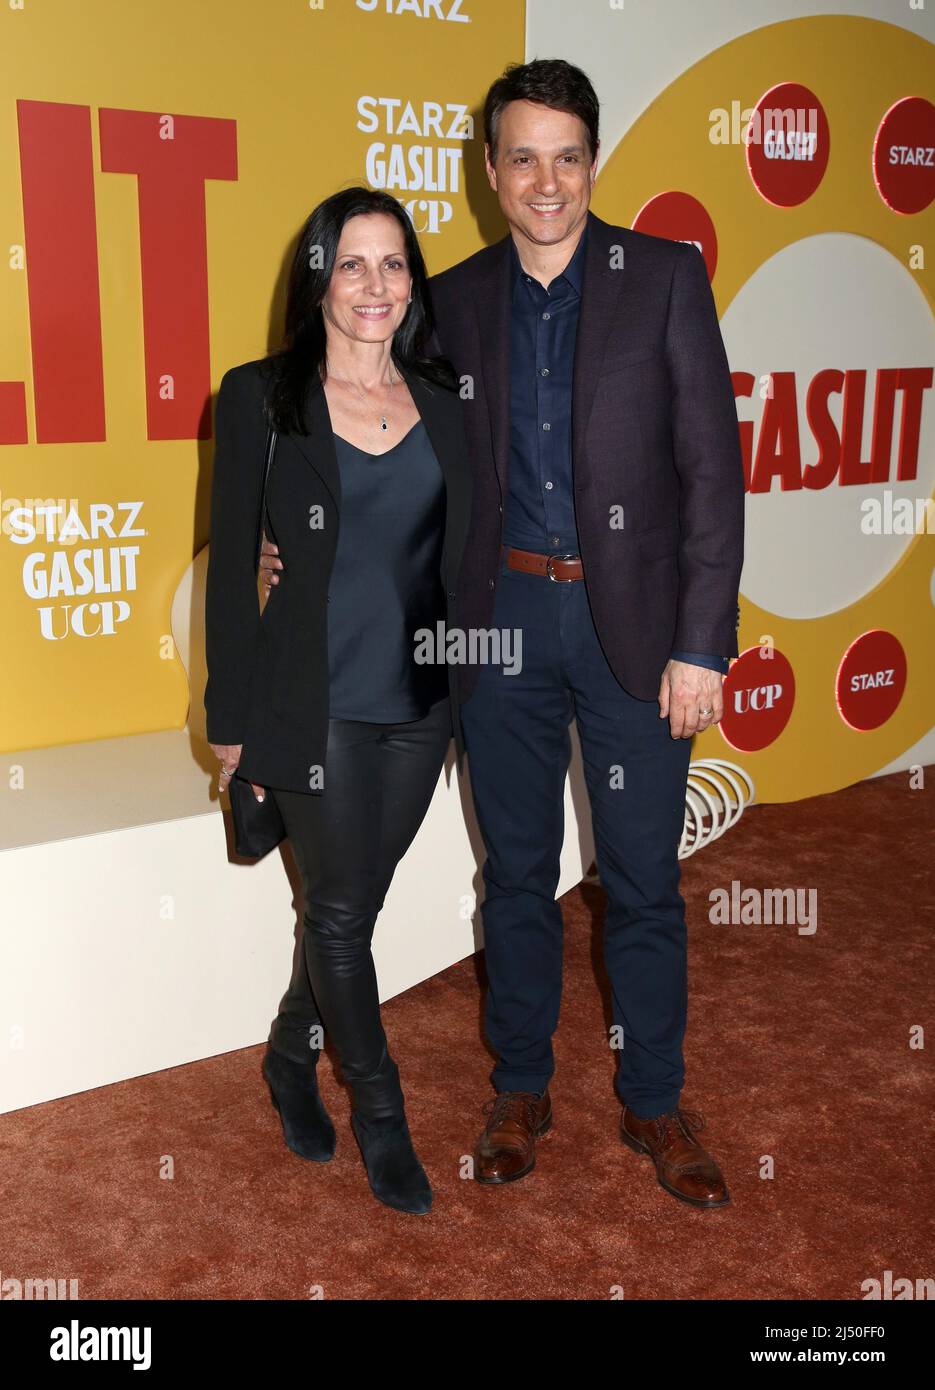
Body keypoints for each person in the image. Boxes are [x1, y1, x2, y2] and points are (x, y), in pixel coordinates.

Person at [261, 59, 745, 1210]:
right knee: (515, 873)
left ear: (591, 163)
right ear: (488, 172)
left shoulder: (664, 279)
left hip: (634, 629)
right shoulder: (455, 299)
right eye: (520, 156)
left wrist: (702, 641)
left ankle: (654, 1098)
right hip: (495, 627)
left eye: (565, 155)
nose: (544, 180)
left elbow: (711, 474)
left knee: (638, 880)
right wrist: (281, 533)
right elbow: (355, 409)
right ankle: (520, 1085)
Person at [204, 187, 472, 1215]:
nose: (374, 285)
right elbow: (235, 569)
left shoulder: (444, 394)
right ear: (317, 275)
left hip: (420, 702)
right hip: (312, 700)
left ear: (412, 279)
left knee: (340, 907)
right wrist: (232, 725)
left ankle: (285, 1052)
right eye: (351, 263)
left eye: (392, 263)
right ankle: (381, 1118)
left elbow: (466, 546)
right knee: (346, 915)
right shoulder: (260, 396)